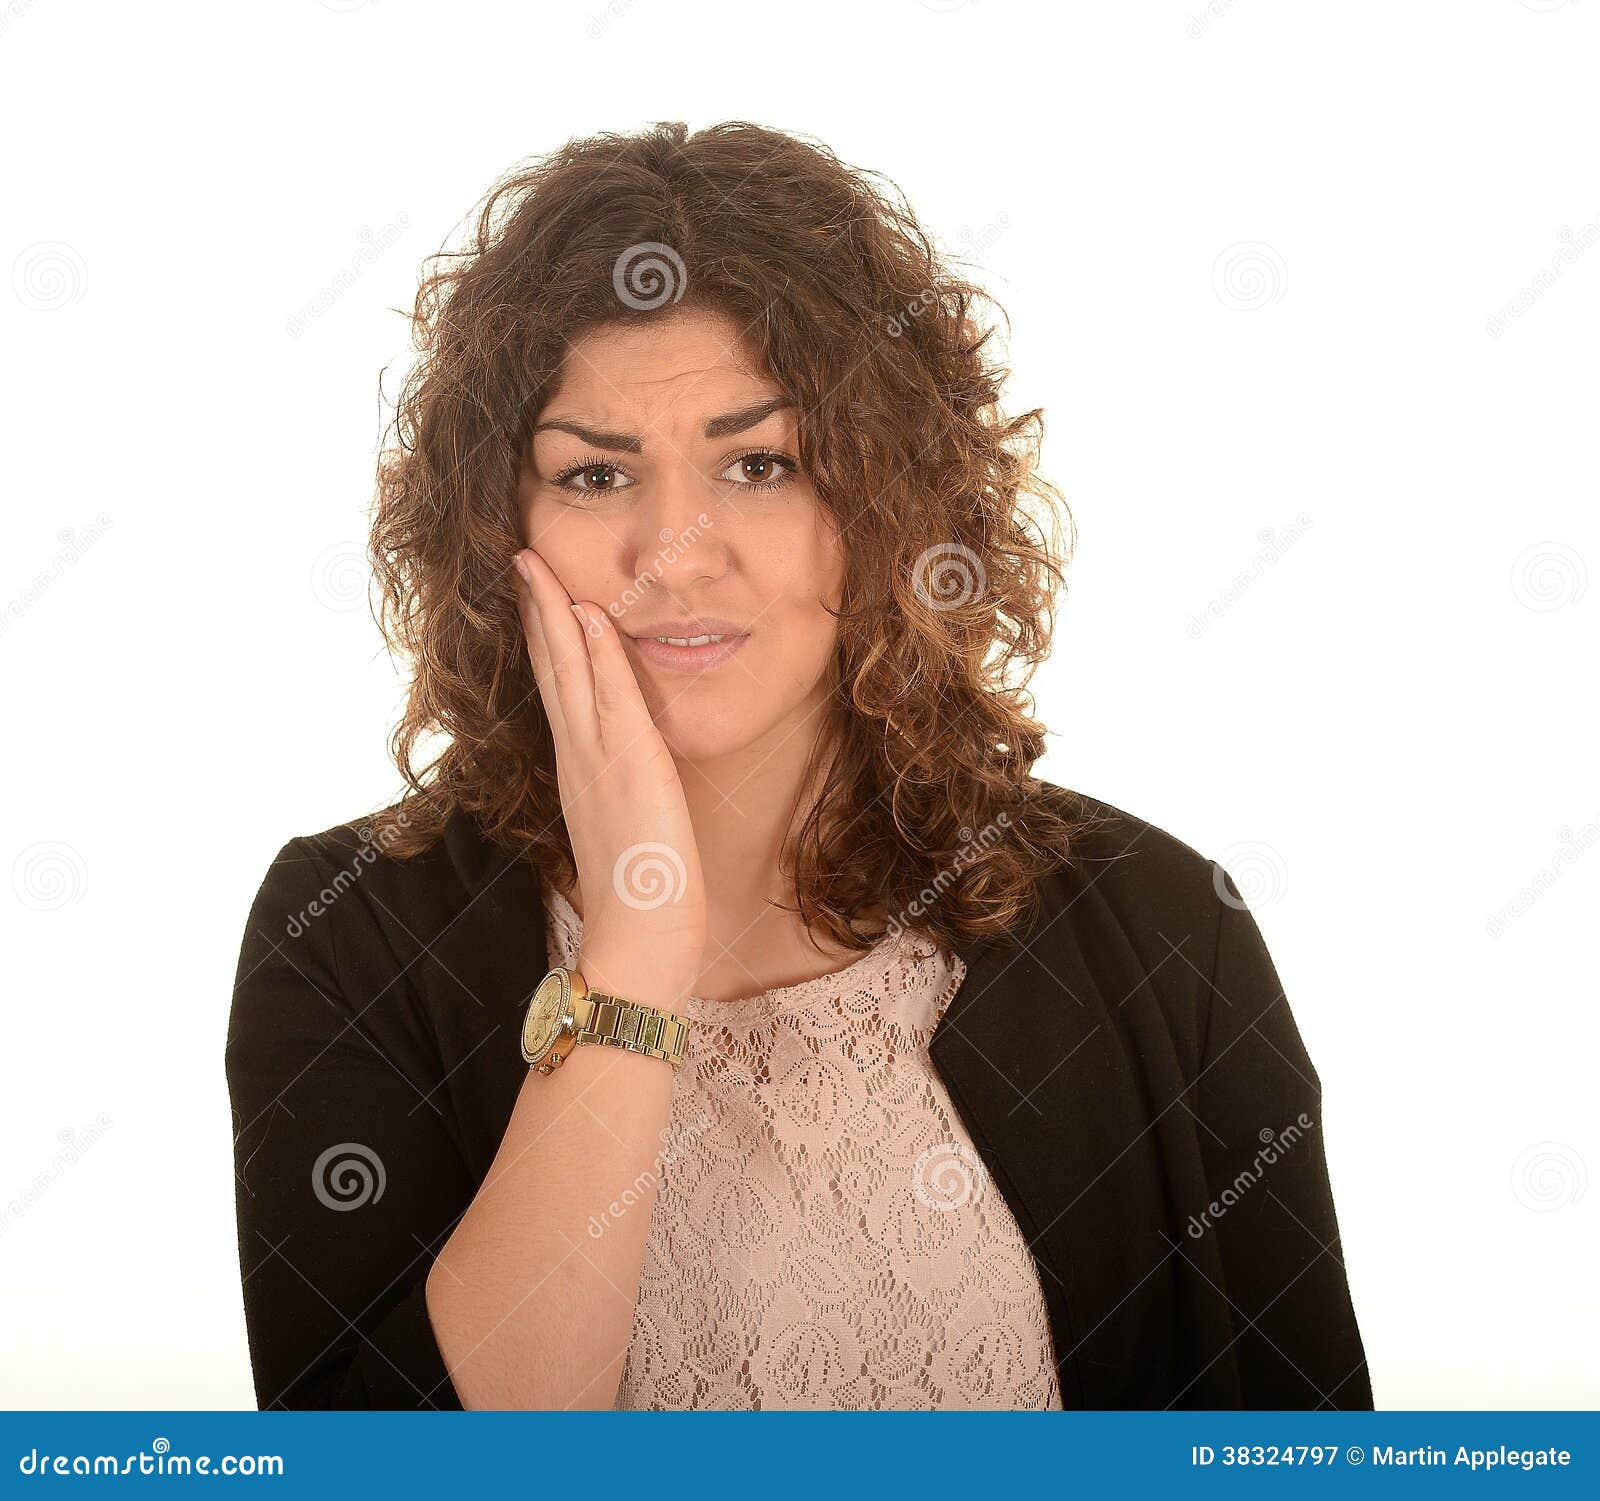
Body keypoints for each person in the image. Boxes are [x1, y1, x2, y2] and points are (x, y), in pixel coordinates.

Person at [225, 119, 1371, 1411]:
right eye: (595, 473)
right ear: (496, 528)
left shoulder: (1161, 929)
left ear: (886, 501)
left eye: (759, 463)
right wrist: (637, 943)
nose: (674, 549)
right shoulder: (345, 933)